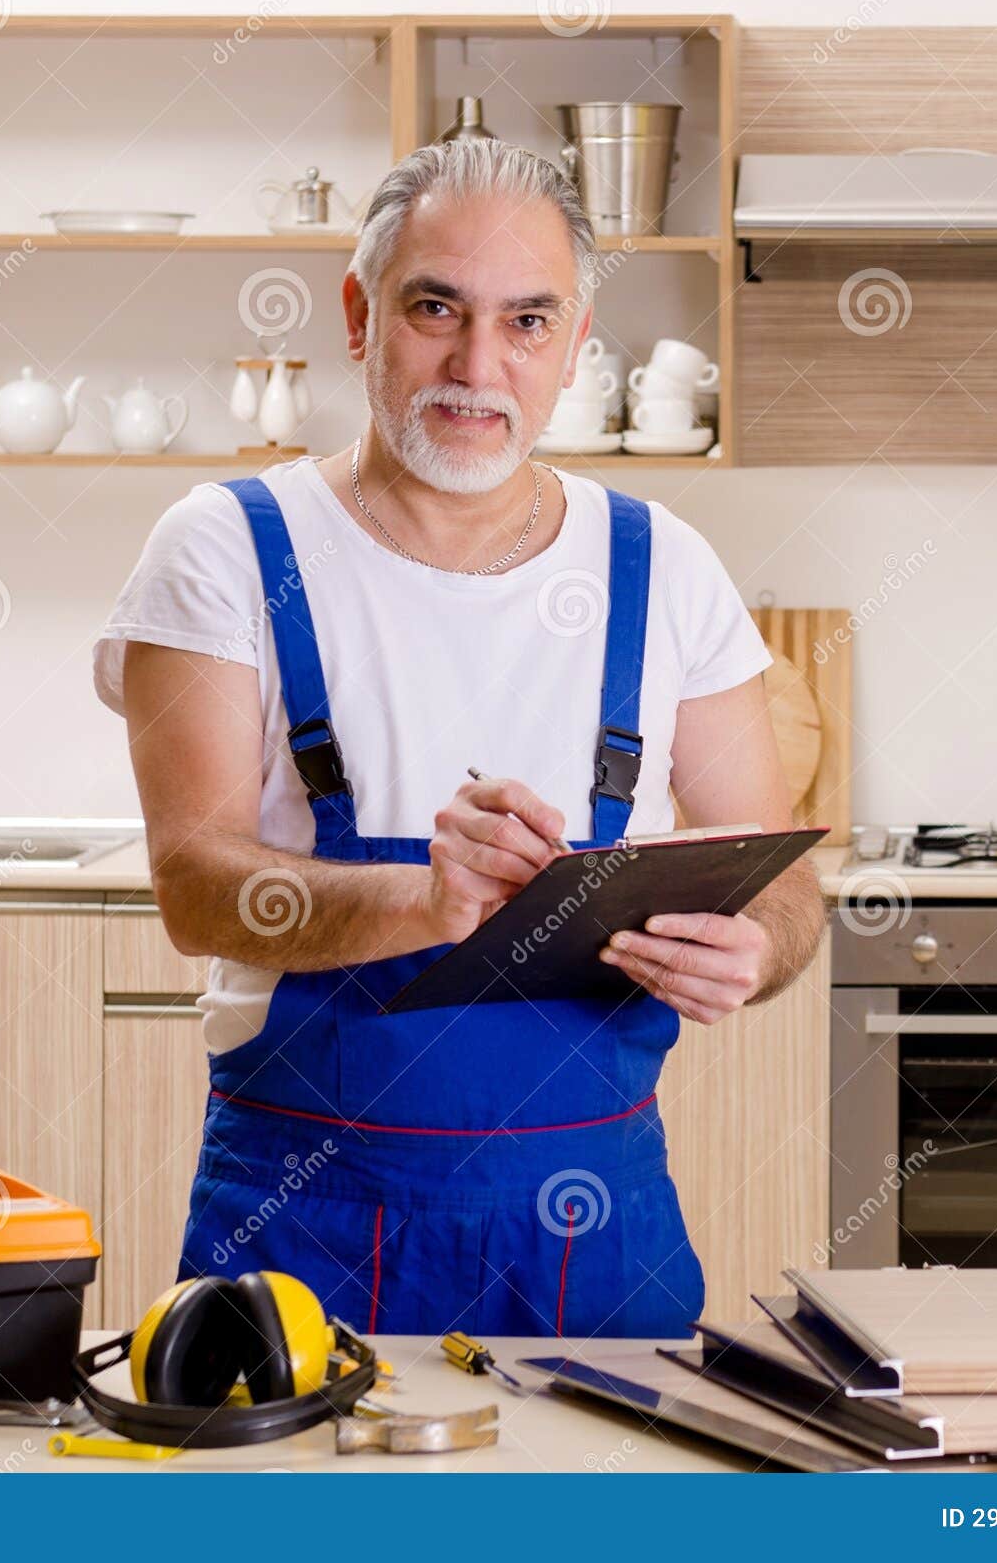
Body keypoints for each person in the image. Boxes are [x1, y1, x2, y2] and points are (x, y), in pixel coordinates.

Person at [93, 138, 824, 1339]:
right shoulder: (227, 549)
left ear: (575, 344)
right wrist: (421, 902)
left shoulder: (662, 569)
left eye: (527, 321)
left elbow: (783, 875)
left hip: (596, 1236)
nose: (478, 367)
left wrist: (756, 949)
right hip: (305, 1229)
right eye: (436, 308)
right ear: (359, 314)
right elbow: (194, 886)